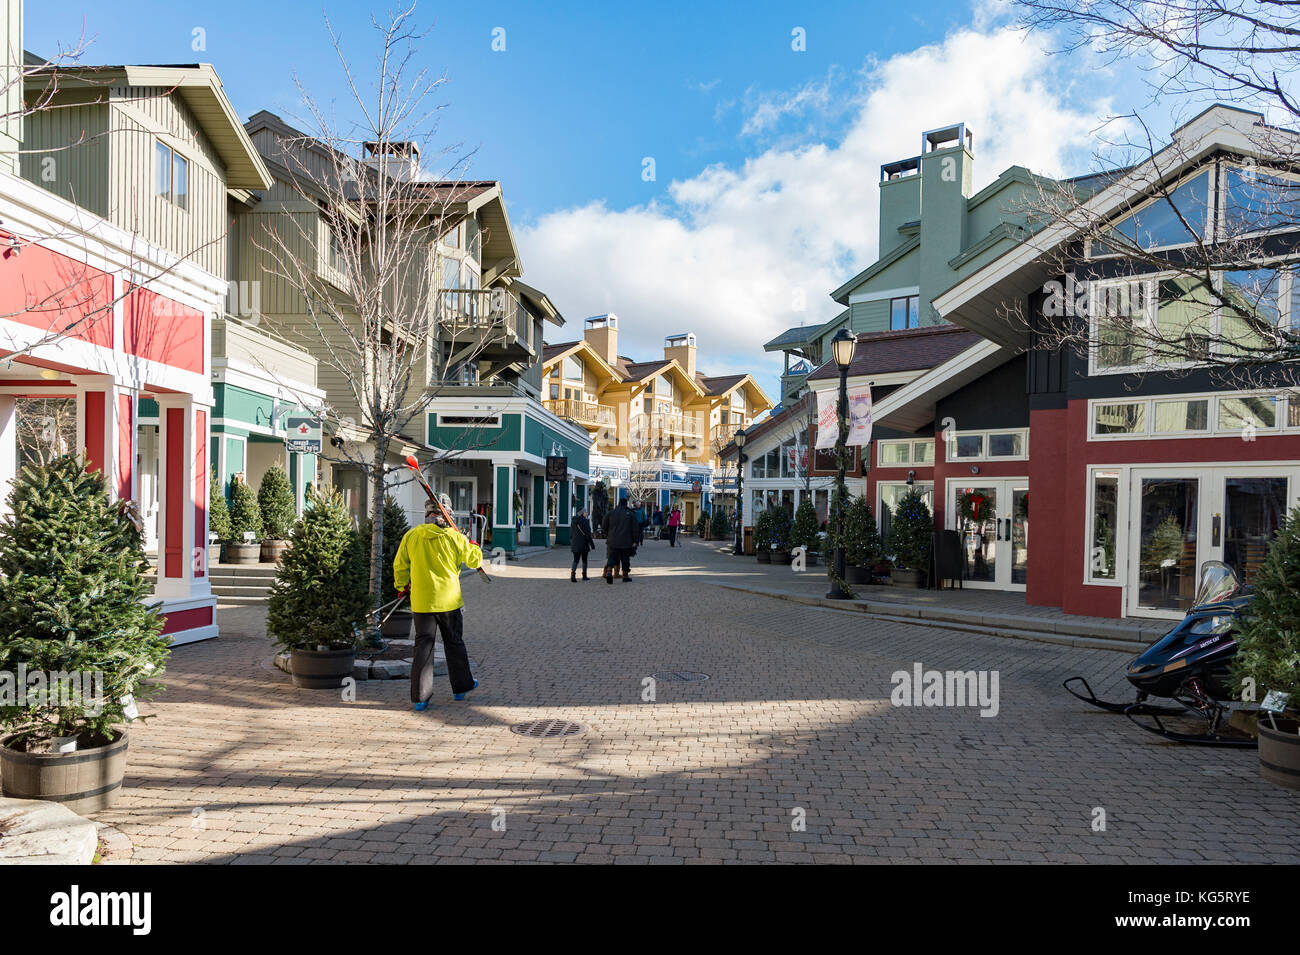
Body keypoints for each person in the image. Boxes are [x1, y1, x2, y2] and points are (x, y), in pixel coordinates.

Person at [394, 495, 483, 710]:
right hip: (449, 601)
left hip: (422, 602)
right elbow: (474, 560)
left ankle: (420, 698)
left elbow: (400, 565)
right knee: (454, 643)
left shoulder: (411, 536)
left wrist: (401, 587)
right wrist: (473, 544)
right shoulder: (455, 537)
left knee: (423, 646)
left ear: (427, 514)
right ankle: (461, 687)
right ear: (448, 513)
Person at [603, 496, 636, 583]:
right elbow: (635, 529)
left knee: (611, 557)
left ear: (618, 504)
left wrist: (608, 535)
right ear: (626, 504)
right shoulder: (630, 514)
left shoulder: (611, 513)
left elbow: (604, 526)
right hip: (626, 541)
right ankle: (625, 576)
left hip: (612, 540)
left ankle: (609, 572)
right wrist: (635, 540)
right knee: (625, 558)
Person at [570, 506, 595, 582]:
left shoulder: (573, 521)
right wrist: (592, 544)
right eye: (585, 512)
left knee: (576, 560)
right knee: (584, 560)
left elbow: (571, 534)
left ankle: (573, 575)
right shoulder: (585, 521)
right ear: (582, 513)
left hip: (575, 543)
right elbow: (588, 534)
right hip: (583, 544)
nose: (586, 513)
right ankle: (584, 575)